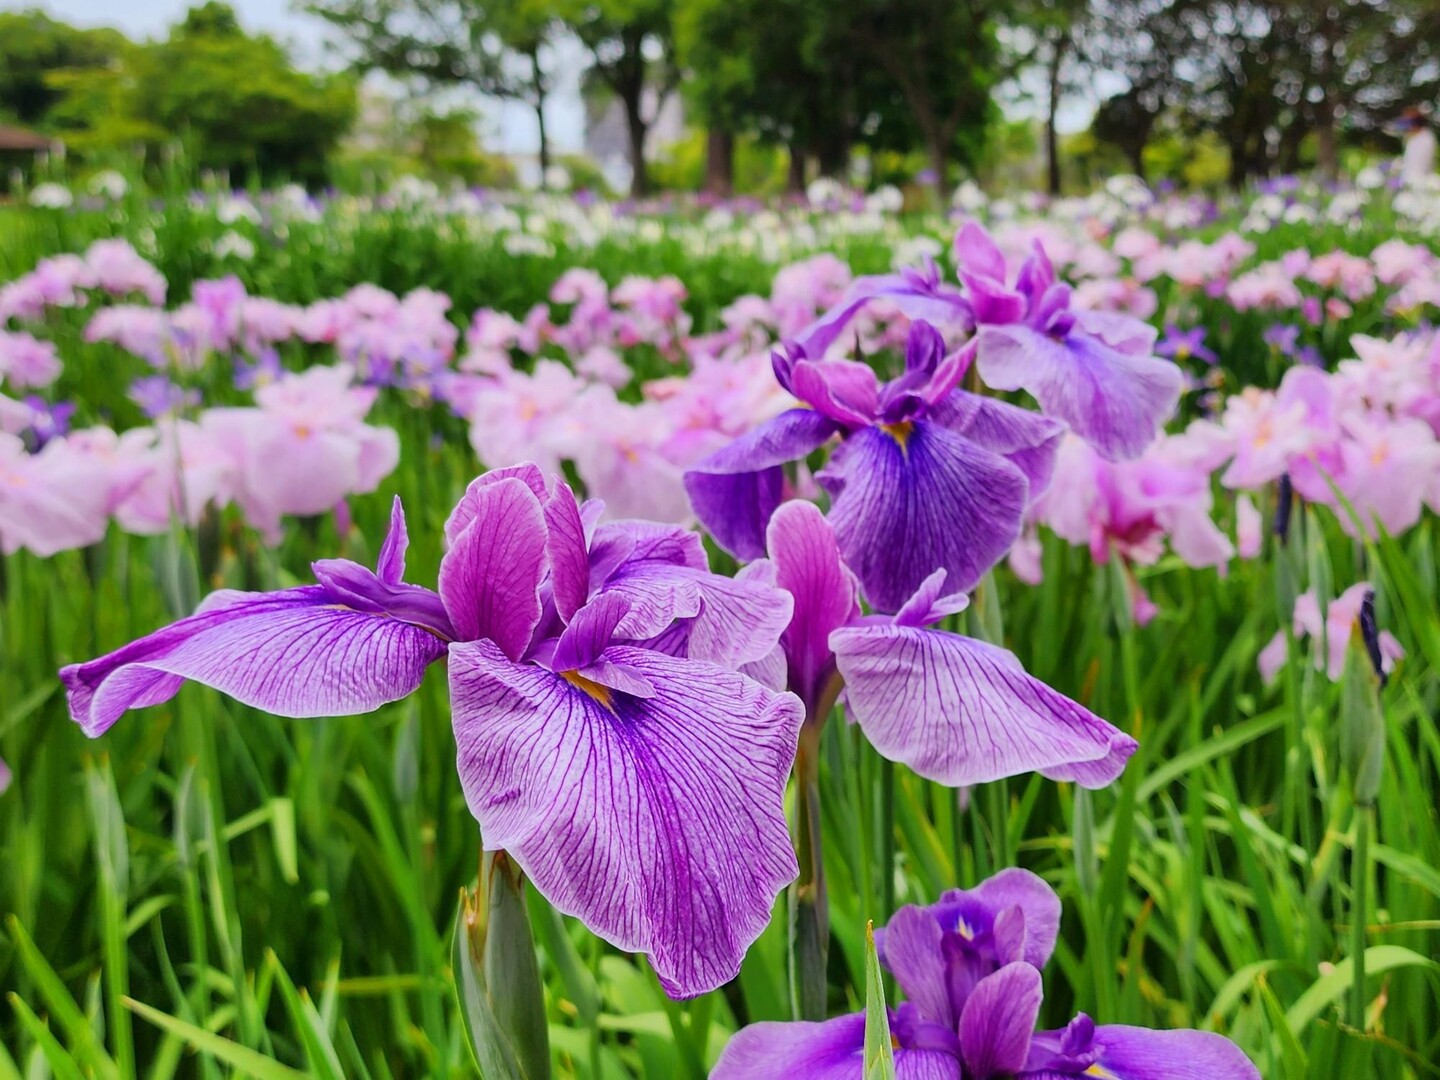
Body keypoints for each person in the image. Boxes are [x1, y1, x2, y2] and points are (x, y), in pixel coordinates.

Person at [1397, 107, 1436, 186]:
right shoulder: (1413, 138)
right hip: (1408, 181)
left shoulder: (1425, 139)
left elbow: (1417, 168)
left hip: (1418, 184)